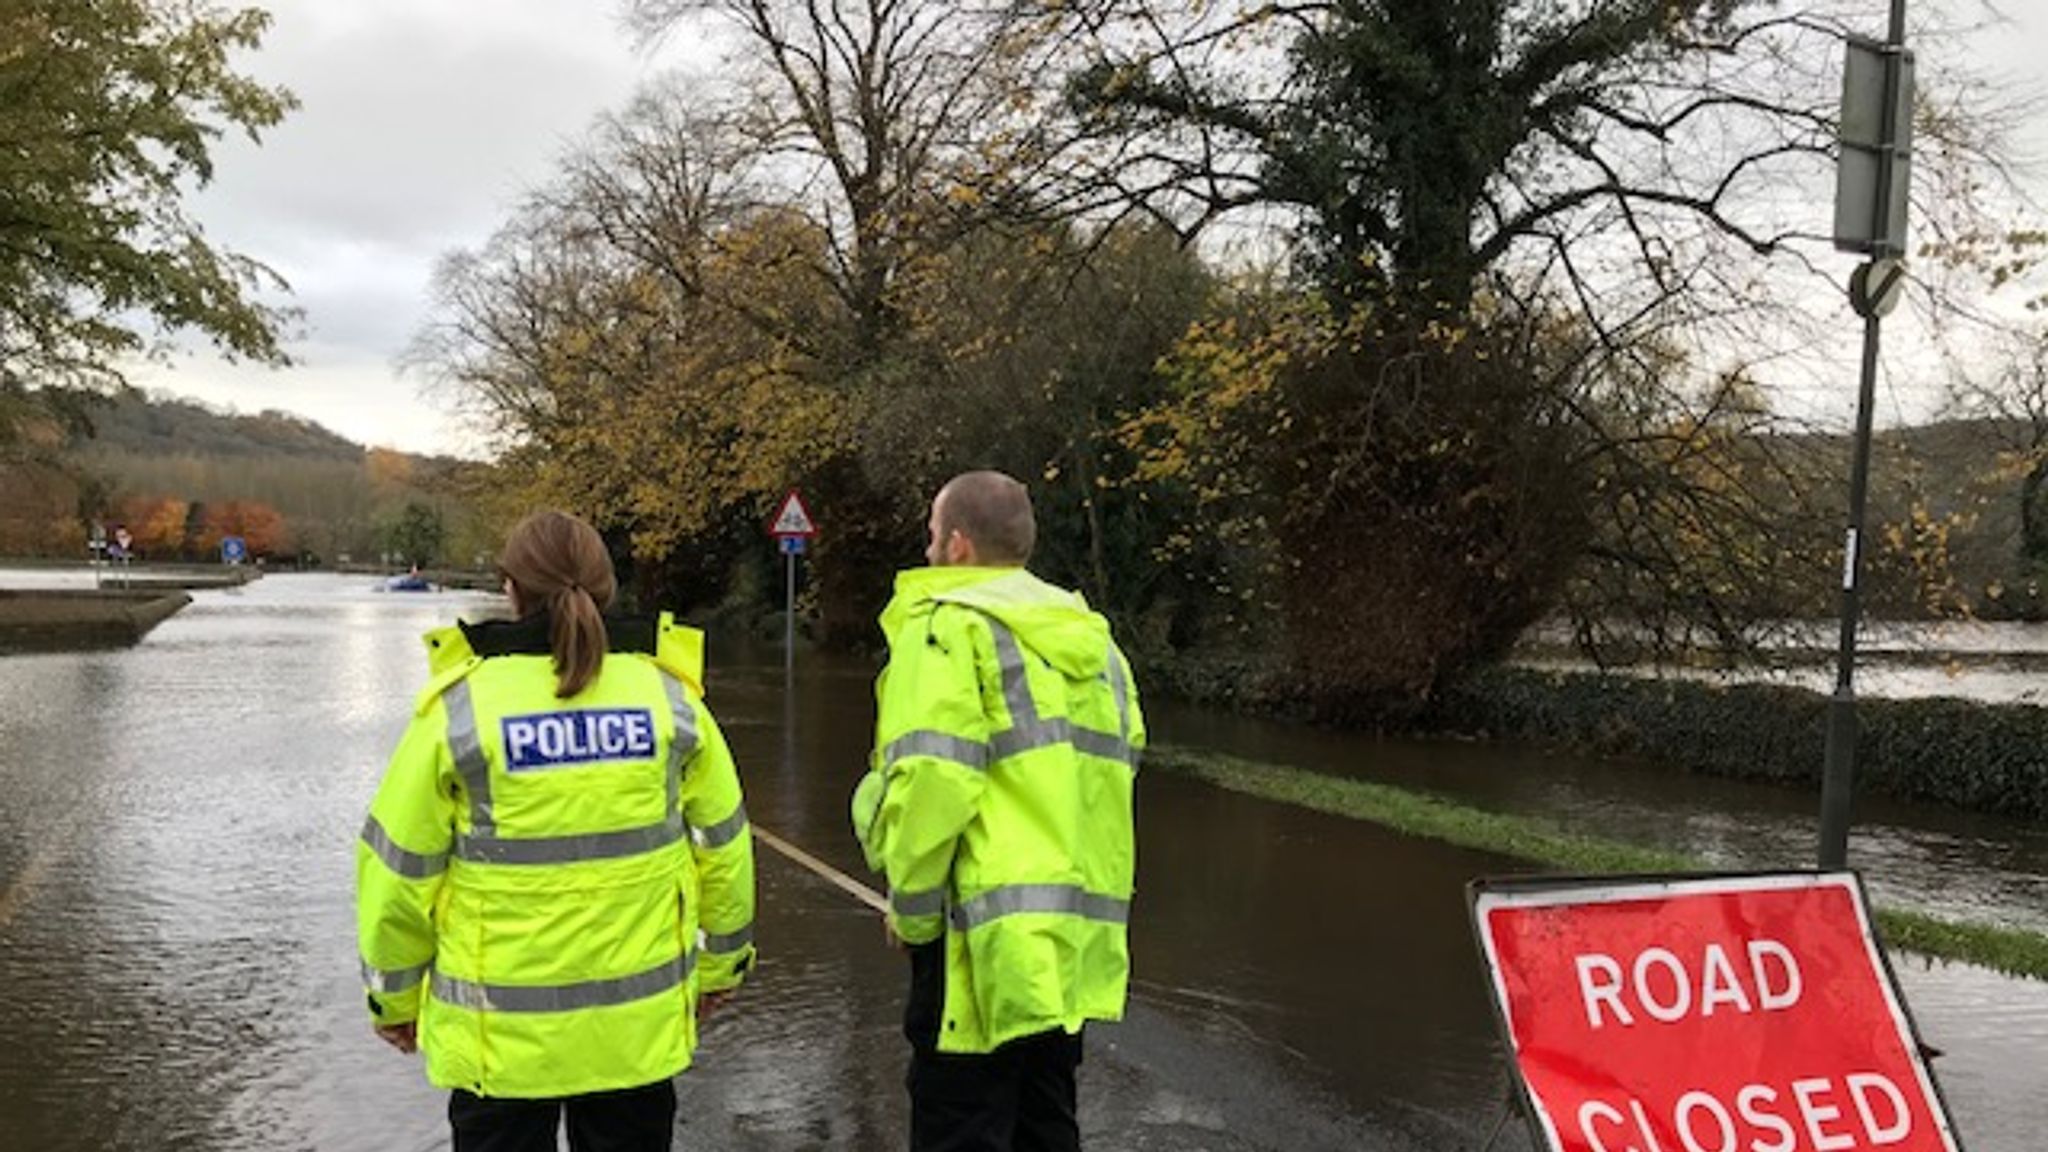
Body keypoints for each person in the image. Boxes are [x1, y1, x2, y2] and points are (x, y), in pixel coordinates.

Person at [356, 509, 755, 1152]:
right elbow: (725, 851)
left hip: (500, 1050)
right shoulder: (673, 701)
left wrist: (394, 1001)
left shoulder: (458, 712)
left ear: (511, 589)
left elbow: (399, 873)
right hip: (636, 1035)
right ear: (607, 587)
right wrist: (721, 972)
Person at [851, 470, 1145, 1151]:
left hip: (974, 952)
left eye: (930, 536)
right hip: (1062, 950)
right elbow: (1116, 771)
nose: (925, 551)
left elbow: (934, 787)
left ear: (957, 546)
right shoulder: (1097, 644)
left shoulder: (946, 630)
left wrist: (914, 913)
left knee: (961, 1128)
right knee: (1047, 1126)